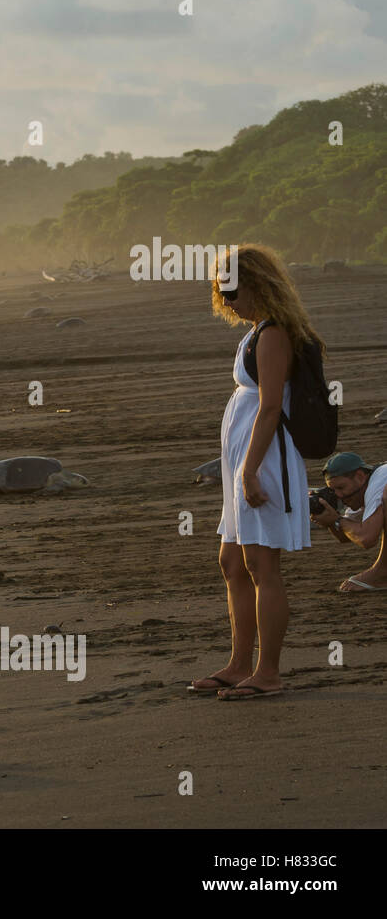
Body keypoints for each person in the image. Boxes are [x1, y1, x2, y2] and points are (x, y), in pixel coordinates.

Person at [190, 244, 325, 700]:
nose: (227, 298)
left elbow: (269, 408)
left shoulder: (274, 335)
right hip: (245, 463)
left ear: (259, 285)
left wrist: (249, 471)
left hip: (265, 461)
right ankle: (238, 663)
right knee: (232, 561)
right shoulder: (256, 332)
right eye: (220, 290)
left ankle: (268, 672)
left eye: (233, 289)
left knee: (261, 563)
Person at [311, 452, 387, 591]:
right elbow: (347, 536)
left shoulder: (380, 481)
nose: (338, 496)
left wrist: (337, 519)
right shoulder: (361, 491)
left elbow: (367, 539)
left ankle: (383, 573)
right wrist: (330, 520)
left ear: (359, 476)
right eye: (333, 491)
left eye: (341, 488)